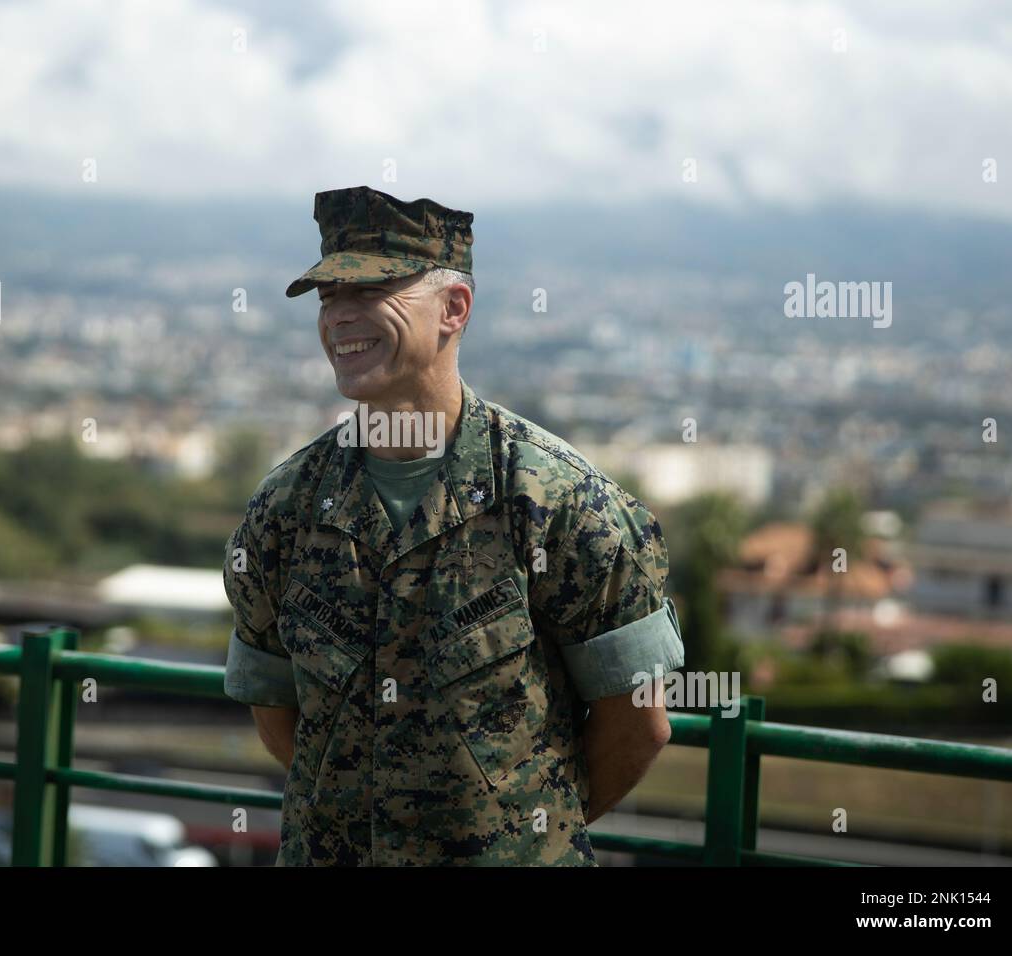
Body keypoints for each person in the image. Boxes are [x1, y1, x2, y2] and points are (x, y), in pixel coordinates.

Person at [222, 185, 684, 865]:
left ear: (454, 309)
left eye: (370, 291)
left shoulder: (560, 502)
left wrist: (520, 842)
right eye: (328, 298)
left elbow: (637, 725)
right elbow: (279, 713)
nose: (341, 317)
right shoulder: (284, 511)